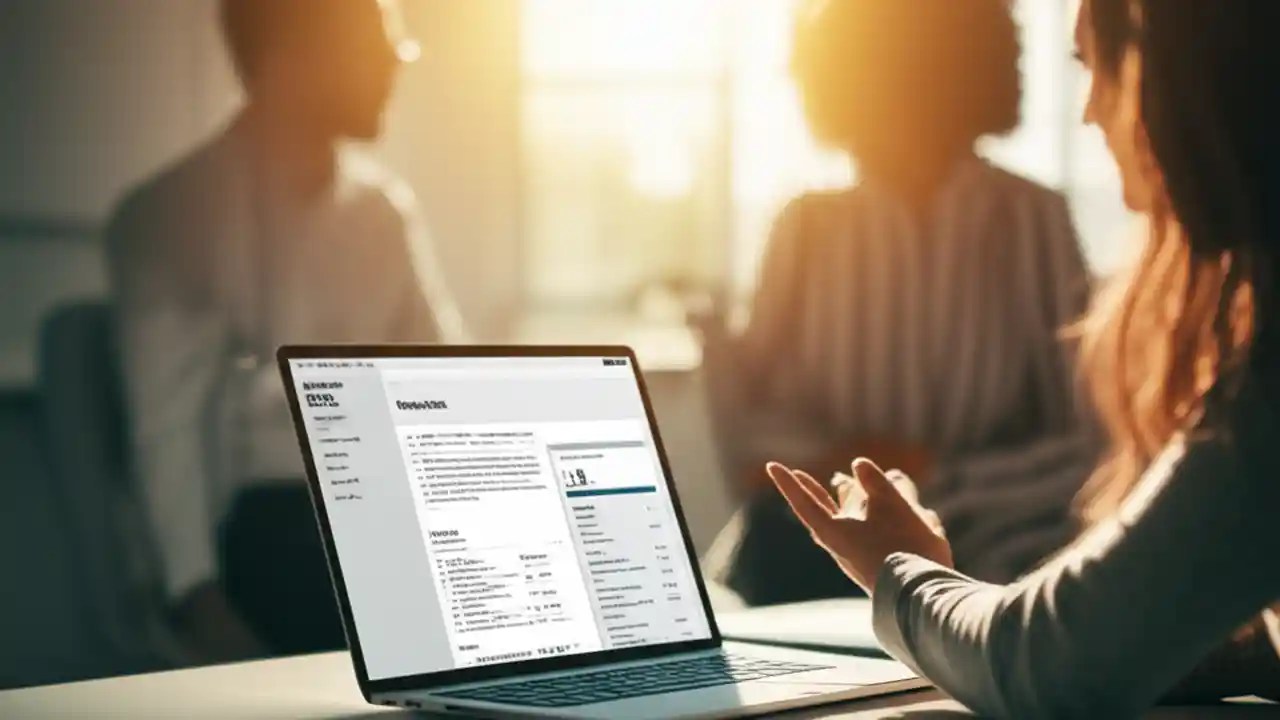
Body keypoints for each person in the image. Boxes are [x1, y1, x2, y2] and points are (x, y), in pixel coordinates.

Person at [768, 0, 1280, 714]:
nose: (1089, 115)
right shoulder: (805, 227)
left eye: (1095, 71)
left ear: (1179, 75)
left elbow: (1037, 660)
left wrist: (903, 559)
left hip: (1002, 546)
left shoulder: (1259, 403)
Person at [698, 0, 1098, 604]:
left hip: (995, 552)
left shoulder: (1030, 221)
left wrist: (932, 476)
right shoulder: (805, 228)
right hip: (824, 551)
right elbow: (760, 424)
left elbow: (1087, 436)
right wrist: (842, 471)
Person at [106, 0, 464, 663]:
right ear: (290, 60)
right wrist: (200, 604)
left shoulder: (384, 215)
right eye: (373, 44)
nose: (396, 61)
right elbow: (169, 432)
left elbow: (449, 387)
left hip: (384, 524)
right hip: (269, 541)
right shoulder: (170, 215)